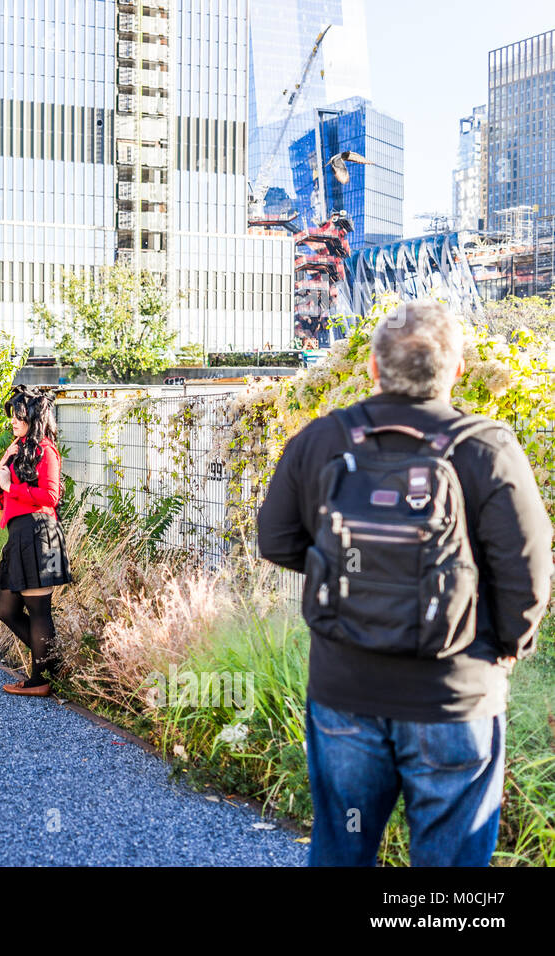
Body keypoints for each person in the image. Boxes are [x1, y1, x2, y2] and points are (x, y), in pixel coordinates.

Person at [257, 300, 552, 866]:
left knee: (343, 847)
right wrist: (505, 651)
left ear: (372, 367)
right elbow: (529, 574)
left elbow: (276, 540)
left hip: (345, 694)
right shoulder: (488, 448)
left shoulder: (321, 440)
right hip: (454, 697)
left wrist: (352, 573)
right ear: (457, 370)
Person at [0, 384, 72, 697]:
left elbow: (50, 495)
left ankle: (40, 680)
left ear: (35, 418)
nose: (13, 421)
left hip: (39, 533)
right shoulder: (21, 448)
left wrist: (11, 486)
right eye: (12, 416)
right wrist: (5, 464)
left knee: (39, 612)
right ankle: (52, 663)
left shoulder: (46, 451)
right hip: (20, 533)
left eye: (20, 417)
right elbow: (3, 487)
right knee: (7, 610)